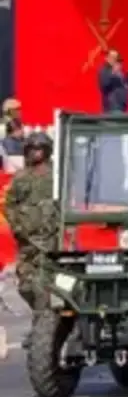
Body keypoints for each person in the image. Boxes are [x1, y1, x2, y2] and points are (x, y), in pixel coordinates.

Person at [6, 132, 56, 337]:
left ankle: (43, 329)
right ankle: (42, 321)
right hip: (28, 241)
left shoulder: (58, 175)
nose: (36, 153)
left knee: (47, 288)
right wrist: (18, 226)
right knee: (26, 286)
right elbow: (10, 205)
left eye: (40, 149)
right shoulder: (21, 178)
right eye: (32, 149)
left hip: (53, 241)